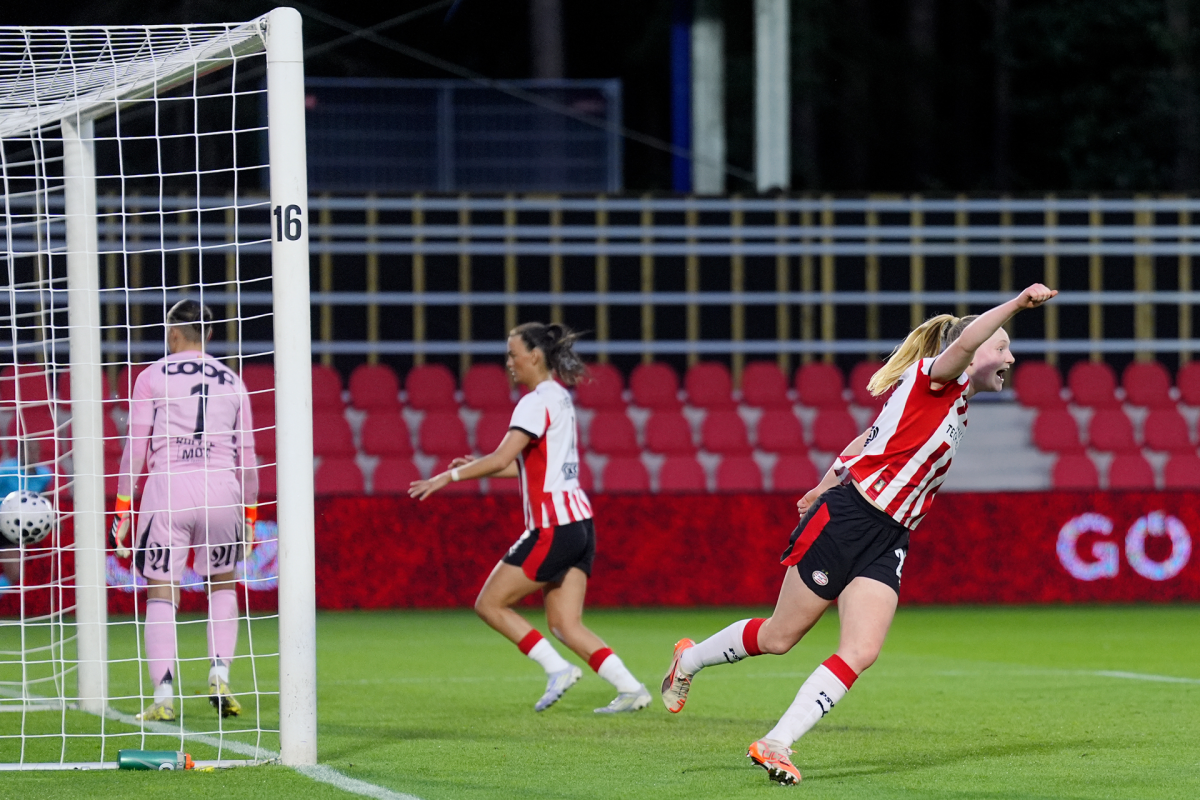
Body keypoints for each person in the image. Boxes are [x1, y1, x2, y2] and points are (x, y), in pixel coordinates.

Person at [660, 284, 1057, 785]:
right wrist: (1018, 305)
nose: (1010, 357)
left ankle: (776, 742)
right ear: (972, 351)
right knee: (780, 637)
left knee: (862, 650)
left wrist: (822, 482)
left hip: (889, 536)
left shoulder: (951, 403)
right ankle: (688, 658)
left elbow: (868, 439)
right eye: (1001, 348)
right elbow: (959, 347)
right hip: (851, 518)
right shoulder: (935, 379)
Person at [409, 322, 651, 713]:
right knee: (564, 625)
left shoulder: (535, 401)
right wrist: (482, 467)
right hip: (581, 525)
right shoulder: (561, 398)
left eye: (512, 353)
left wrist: (447, 477)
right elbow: (527, 466)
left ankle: (556, 668)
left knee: (489, 604)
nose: (509, 362)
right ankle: (631, 688)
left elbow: (504, 458)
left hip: (552, 526)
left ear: (534, 355)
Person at [110, 299, 258, 722]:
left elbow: (134, 450)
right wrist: (249, 517)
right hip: (222, 489)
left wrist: (123, 511)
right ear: (207, 336)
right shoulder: (233, 380)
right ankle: (219, 671)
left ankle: (163, 694)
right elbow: (248, 457)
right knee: (222, 583)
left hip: (169, 489)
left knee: (161, 590)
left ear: (173, 333)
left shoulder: (150, 376)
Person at [0, 438, 52, 591]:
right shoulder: (6, 470)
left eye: (36, 450)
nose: (33, 454)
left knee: (14, 574)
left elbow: (44, 498)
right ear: (19, 452)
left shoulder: (44, 474)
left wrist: (52, 517)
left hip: (10, 529)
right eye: (29, 450)